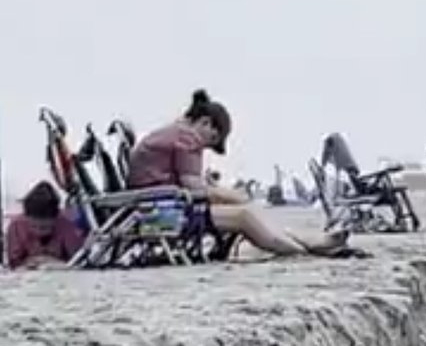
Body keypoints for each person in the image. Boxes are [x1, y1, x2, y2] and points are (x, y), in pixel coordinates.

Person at [128, 89, 343, 256]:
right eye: (212, 139)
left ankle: (307, 241)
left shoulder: (174, 133)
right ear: (205, 122)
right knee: (244, 216)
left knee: (247, 209)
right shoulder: (188, 137)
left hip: (153, 206)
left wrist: (222, 193)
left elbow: (185, 183)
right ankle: (302, 251)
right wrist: (230, 195)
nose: (206, 146)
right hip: (160, 214)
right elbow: (193, 187)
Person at [4, 180, 84, 270]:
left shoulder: (67, 225)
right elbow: (13, 264)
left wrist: (56, 264)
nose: (38, 232)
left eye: (44, 228)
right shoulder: (16, 226)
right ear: (26, 217)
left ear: (56, 219)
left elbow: (77, 261)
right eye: (33, 226)